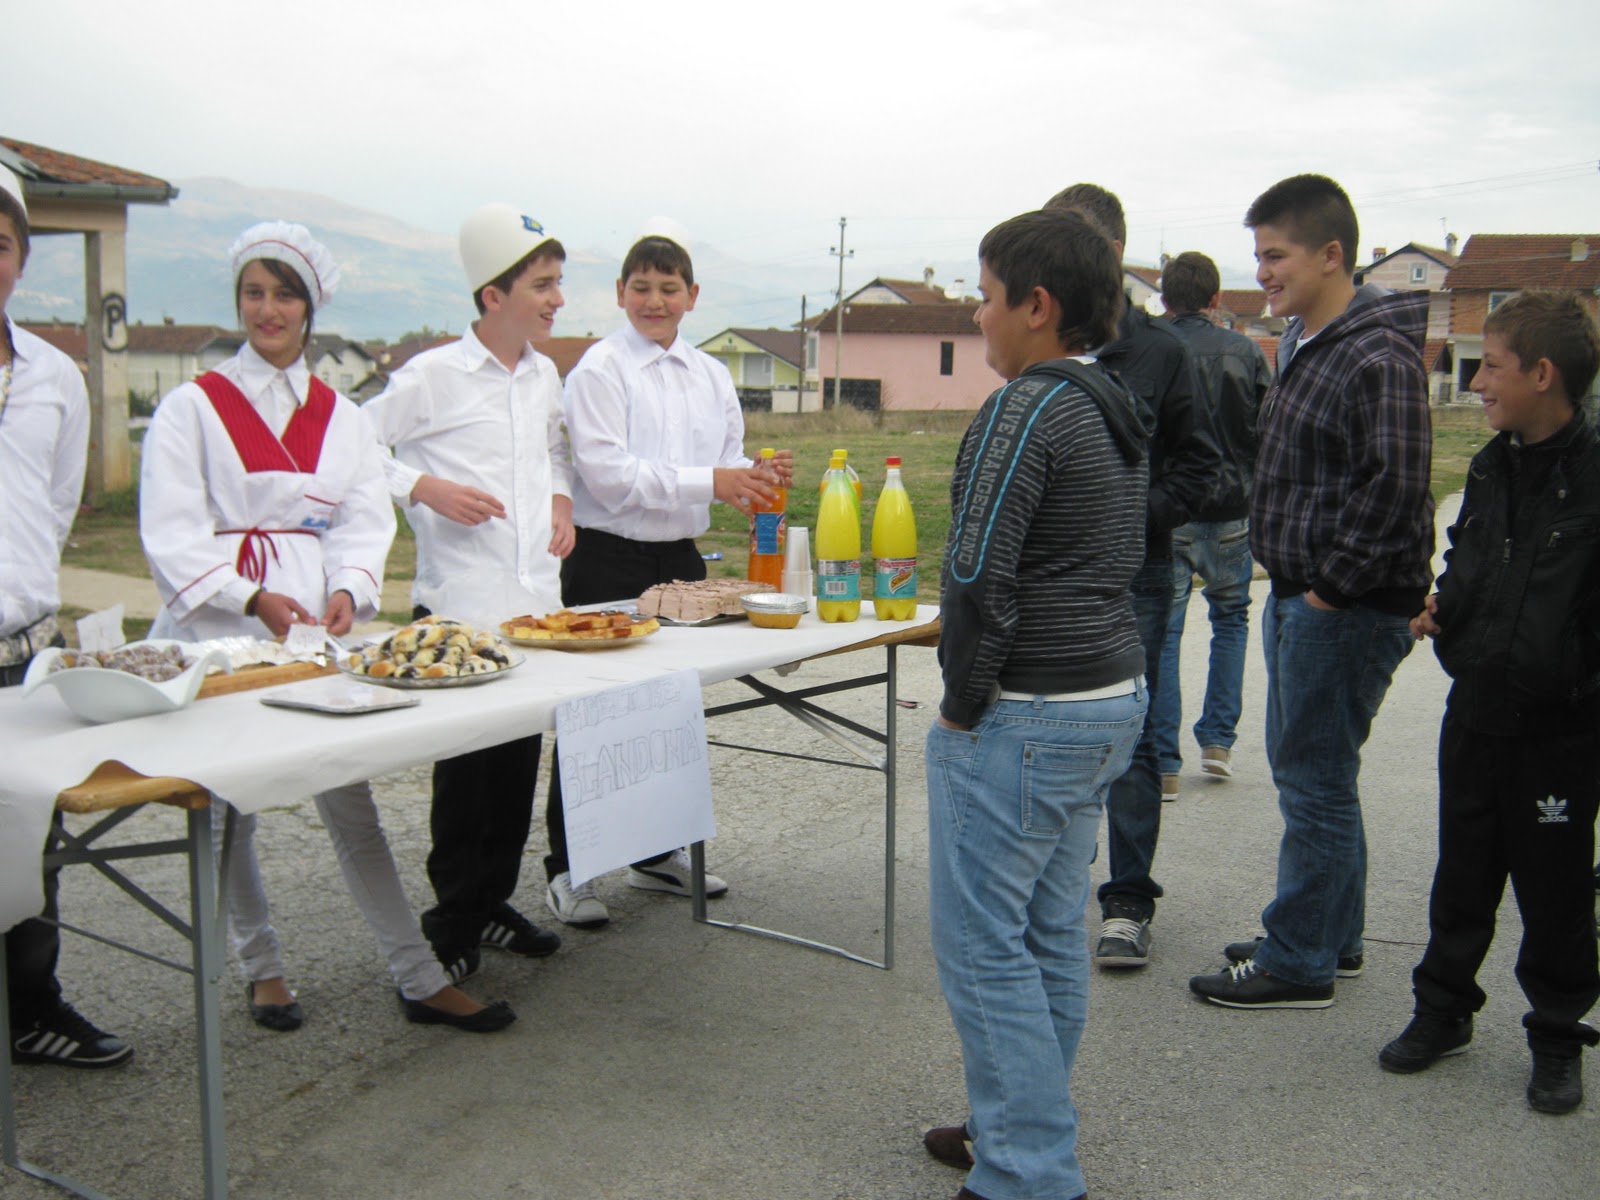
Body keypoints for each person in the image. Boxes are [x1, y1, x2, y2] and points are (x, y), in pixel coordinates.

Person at [140, 221, 512, 1033]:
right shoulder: (191, 408)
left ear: (311, 307)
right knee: (228, 798)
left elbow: (359, 515)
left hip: (313, 623)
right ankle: (262, 965)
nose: (266, 310)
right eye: (253, 293)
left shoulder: (341, 415)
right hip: (223, 621)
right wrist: (249, 597)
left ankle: (415, 973)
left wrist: (348, 584)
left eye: (283, 295)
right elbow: (169, 529)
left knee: (351, 794)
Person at [921, 207, 1151, 1200]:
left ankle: (1026, 1171)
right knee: (1048, 931)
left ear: (1036, 304)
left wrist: (962, 704)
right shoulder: (1109, 401)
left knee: (983, 950)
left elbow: (978, 572)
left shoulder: (1025, 408)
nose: (977, 316)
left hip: (1028, 715)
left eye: (983, 294)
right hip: (1106, 700)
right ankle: (1011, 1125)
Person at [1190, 174, 1433, 1009]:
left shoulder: (1375, 351)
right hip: (1305, 594)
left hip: (1345, 604)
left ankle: (1298, 961)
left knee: (1313, 777)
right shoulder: (1305, 337)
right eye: (1258, 255)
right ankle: (1333, 931)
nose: (1262, 271)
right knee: (1324, 771)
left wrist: (1330, 590)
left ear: (1333, 254)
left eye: (1277, 255)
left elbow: (1397, 482)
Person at [1380, 291, 1600, 1114]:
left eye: (1493, 370)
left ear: (1543, 374)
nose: (1479, 387)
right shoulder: (1488, 464)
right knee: (1461, 876)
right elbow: (1468, 553)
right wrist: (1448, 607)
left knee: (1556, 889)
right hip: (1474, 708)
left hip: (1560, 729)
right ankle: (1442, 1012)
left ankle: (1556, 1034)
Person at [542, 219, 790, 928]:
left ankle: (655, 853)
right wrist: (715, 480)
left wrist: (754, 480)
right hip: (605, 554)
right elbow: (608, 475)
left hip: (680, 559)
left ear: (692, 296)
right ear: (620, 293)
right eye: (641, 288)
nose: (655, 300)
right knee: (590, 712)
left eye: (669, 289)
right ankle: (570, 869)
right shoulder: (600, 368)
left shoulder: (712, 375)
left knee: (670, 712)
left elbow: (731, 461)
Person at [362, 203, 571, 981]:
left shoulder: (545, 374)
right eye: (542, 286)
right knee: (466, 775)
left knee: (516, 766)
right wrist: (424, 486)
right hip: (457, 607)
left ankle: (491, 903)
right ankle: (449, 919)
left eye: (557, 285)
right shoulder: (432, 376)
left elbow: (554, 452)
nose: (555, 300)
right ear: (493, 296)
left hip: (529, 609)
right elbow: (350, 442)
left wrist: (560, 500)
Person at [1043, 183, 1220, 968]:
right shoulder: (1040, 340)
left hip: (1137, 577)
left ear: (1113, 255)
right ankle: (1051, 889)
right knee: (1049, 729)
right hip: (1048, 580)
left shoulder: (1164, 353)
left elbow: (1205, 470)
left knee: (1136, 737)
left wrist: (1128, 511)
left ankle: (1126, 904)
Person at [1, 164, 133, 1069]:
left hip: (19, 652)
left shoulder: (53, 372)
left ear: (20, 256)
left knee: (26, 842)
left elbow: (51, 506)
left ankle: (31, 1008)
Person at [1149, 251, 1272, 800]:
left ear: (1163, 296)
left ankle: (1165, 763)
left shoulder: (1150, 349)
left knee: (1166, 634)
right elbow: (1269, 434)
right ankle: (1218, 742)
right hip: (1229, 511)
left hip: (1170, 511)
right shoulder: (1247, 352)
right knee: (1232, 621)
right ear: (1217, 298)